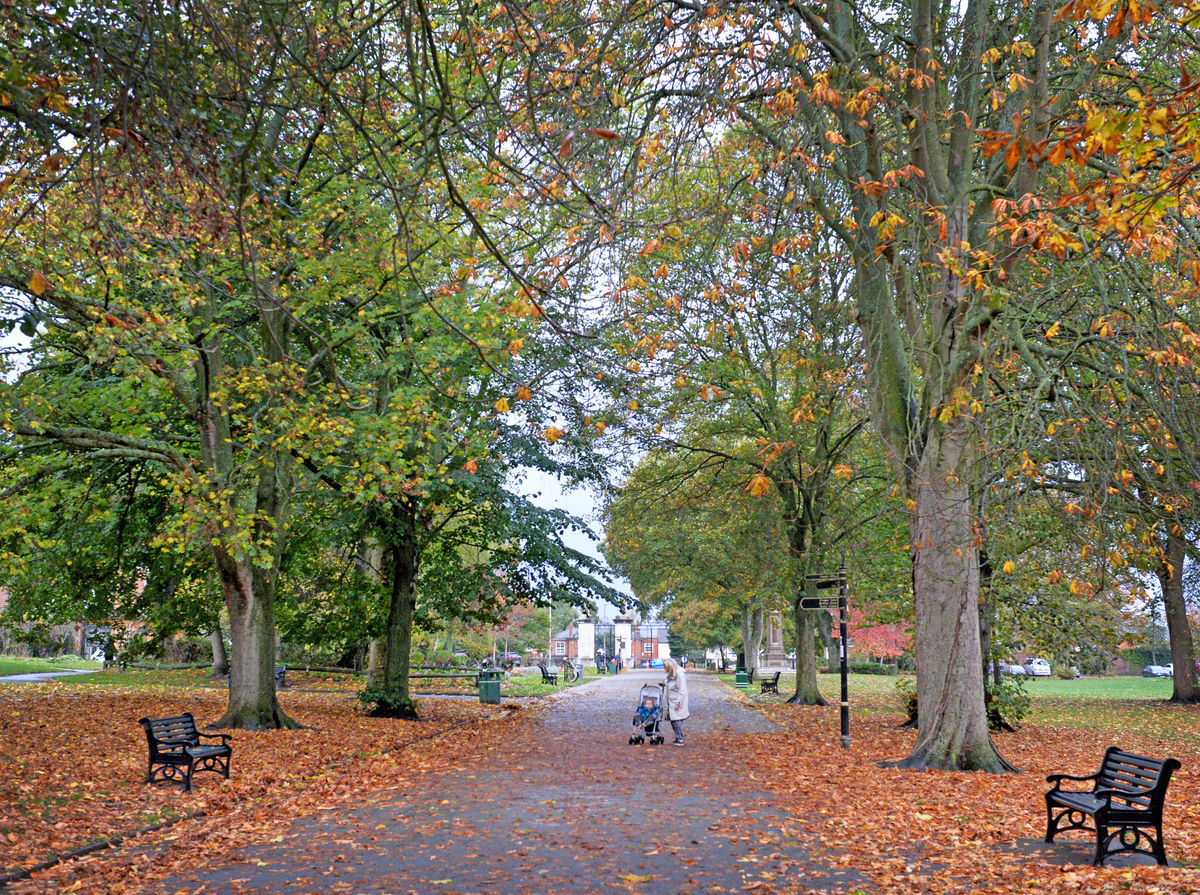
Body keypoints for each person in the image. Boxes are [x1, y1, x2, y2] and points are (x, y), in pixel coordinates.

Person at [662, 657, 689, 746]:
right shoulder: (672, 673)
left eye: (665, 666)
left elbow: (682, 690)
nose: (664, 668)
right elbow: (671, 682)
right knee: (673, 719)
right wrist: (664, 683)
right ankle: (678, 737)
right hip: (672, 699)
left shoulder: (679, 674)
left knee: (677, 720)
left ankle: (680, 738)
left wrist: (678, 703)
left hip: (677, 700)